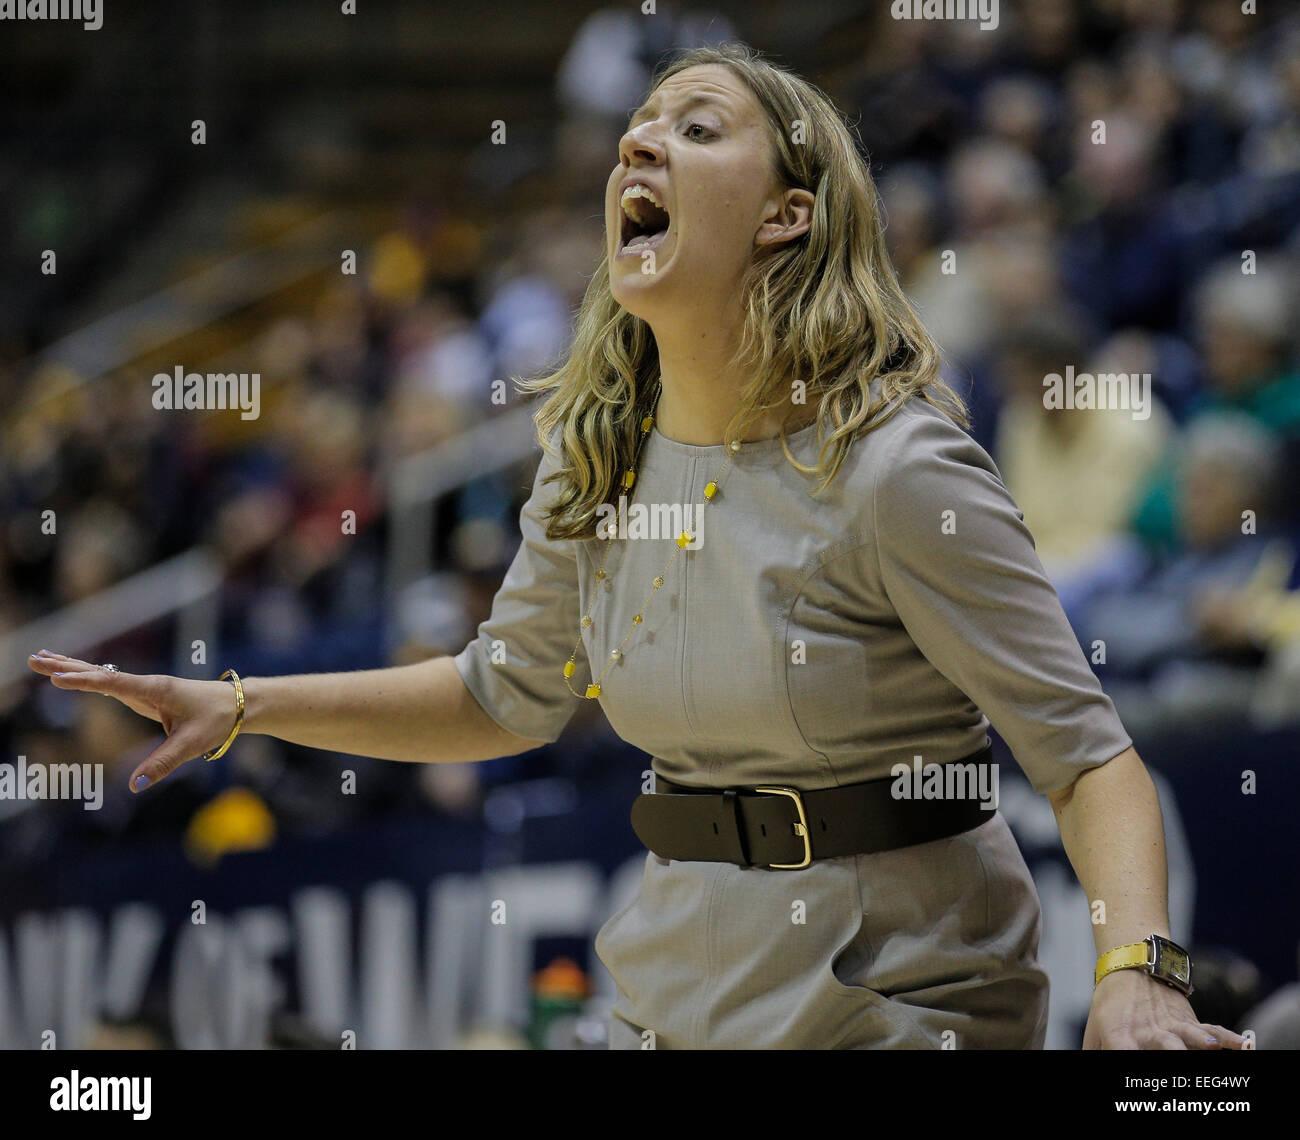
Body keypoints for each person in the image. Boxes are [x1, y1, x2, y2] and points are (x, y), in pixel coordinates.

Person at [29, 43, 1244, 1052]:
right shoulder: (594, 456)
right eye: (637, 127)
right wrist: (239, 704)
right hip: (674, 993)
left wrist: (1137, 972)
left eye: (696, 127)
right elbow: (499, 696)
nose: (636, 144)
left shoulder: (895, 470)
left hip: (898, 1000)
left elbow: (1086, 760)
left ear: (787, 215)